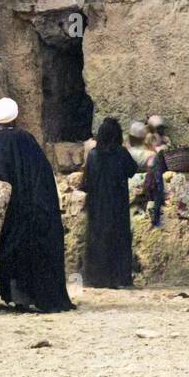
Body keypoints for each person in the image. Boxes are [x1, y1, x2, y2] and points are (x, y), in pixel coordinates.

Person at [0, 98, 73, 313]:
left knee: (13, 251)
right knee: (36, 252)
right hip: (32, 206)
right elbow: (41, 174)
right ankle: (38, 296)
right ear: (16, 117)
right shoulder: (25, 139)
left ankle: (16, 296)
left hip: (10, 208)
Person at [81, 118, 138, 289]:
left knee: (97, 238)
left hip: (97, 204)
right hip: (117, 205)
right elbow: (132, 170)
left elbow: (86, 181)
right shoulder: (121, 153)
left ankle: (97, 279)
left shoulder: (92, 154)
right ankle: (119, 278)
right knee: (118, 239)